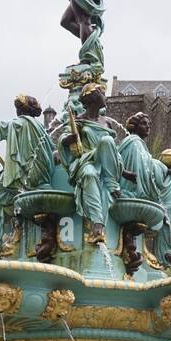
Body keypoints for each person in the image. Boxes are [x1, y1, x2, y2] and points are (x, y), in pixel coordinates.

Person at [0, 95, 55, 256]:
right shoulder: (39, 127)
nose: (16, 111)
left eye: (17, 108)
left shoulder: (22, 123)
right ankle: (6, 204)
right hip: (24, 173)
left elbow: (1, 125)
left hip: (25, 179)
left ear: (21, 109)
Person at [59, 82, 122, 244]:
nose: (105, 97)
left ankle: (111, 181)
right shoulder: (79, 120)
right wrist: (69, 139)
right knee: (89, 174)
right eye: (102, 93)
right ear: (94, 98)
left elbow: (114, 148)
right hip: (85, 160)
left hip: (105, 161)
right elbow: (62, 139)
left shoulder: (107, 122)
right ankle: (97, 225)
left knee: (107, 140)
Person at [117, 112, 171, 265]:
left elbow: (146, 165)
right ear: (134, 126)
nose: (148, 127)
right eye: (144, 124)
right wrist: (164, 169)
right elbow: (143, 169)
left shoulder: (140, 146)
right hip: (132, 190)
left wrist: (165, 170)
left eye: (149, 125)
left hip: (137, 190)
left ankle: (167, 253)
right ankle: (166, 253)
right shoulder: (133, 142)